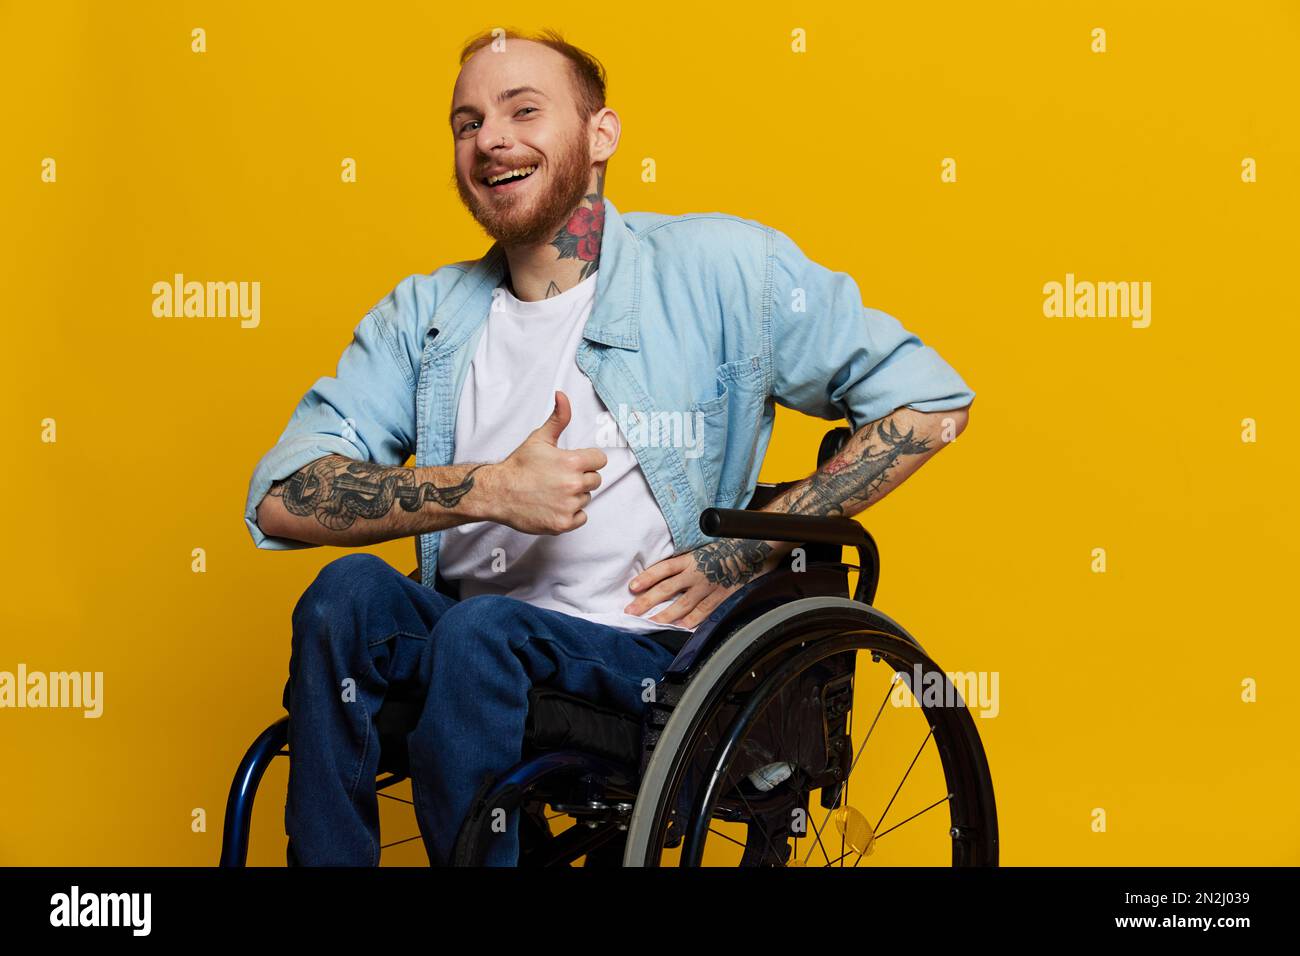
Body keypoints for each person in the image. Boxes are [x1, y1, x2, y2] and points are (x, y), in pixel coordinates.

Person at [243, 27, 976, 867]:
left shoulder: (720, 269)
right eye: (468, 122)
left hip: (646, 660)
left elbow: (932, 401)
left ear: (601, 136)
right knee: (346, 599)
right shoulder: (427, 316)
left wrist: (755, 544)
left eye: (524, 110)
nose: (492, 140)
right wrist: (486, 490)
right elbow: (284, 494)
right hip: (463, 650)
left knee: (481, 634)